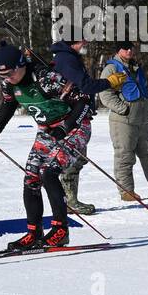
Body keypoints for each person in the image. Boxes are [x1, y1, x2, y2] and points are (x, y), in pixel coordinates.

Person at [0, 42, 125, 250]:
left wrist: (65, 127)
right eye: (3, 76)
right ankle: (34, 233)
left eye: (9, 73)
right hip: (47, 129)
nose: (7, 79)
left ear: (21, 65)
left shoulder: (47, 80)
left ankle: (60, 231)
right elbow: (9, 104)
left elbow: (83, 102)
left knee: (49, 172)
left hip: (75, 126)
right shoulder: (9, 83)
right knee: (31, 178)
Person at [99, 42, 148, 201]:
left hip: (142, 120)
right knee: (125, 156)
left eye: (131, 48)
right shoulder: (111, 69)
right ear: (118, 50)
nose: (129, 51)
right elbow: (105, 94)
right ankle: (127, 192)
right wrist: (123, 109)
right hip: (123, 120)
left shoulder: (136, 67)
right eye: (125, 48)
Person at [49, 32, 108, 215]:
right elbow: (85, 85)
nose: (85, 43)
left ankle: (69, 199)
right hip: (71, 114)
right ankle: (68, 200)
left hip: (78, 113)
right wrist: (108, 82)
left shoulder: (68, 56)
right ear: (74, 42)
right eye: (82, 40)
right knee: (73, 158)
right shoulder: (66, 59)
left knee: (78, 158)